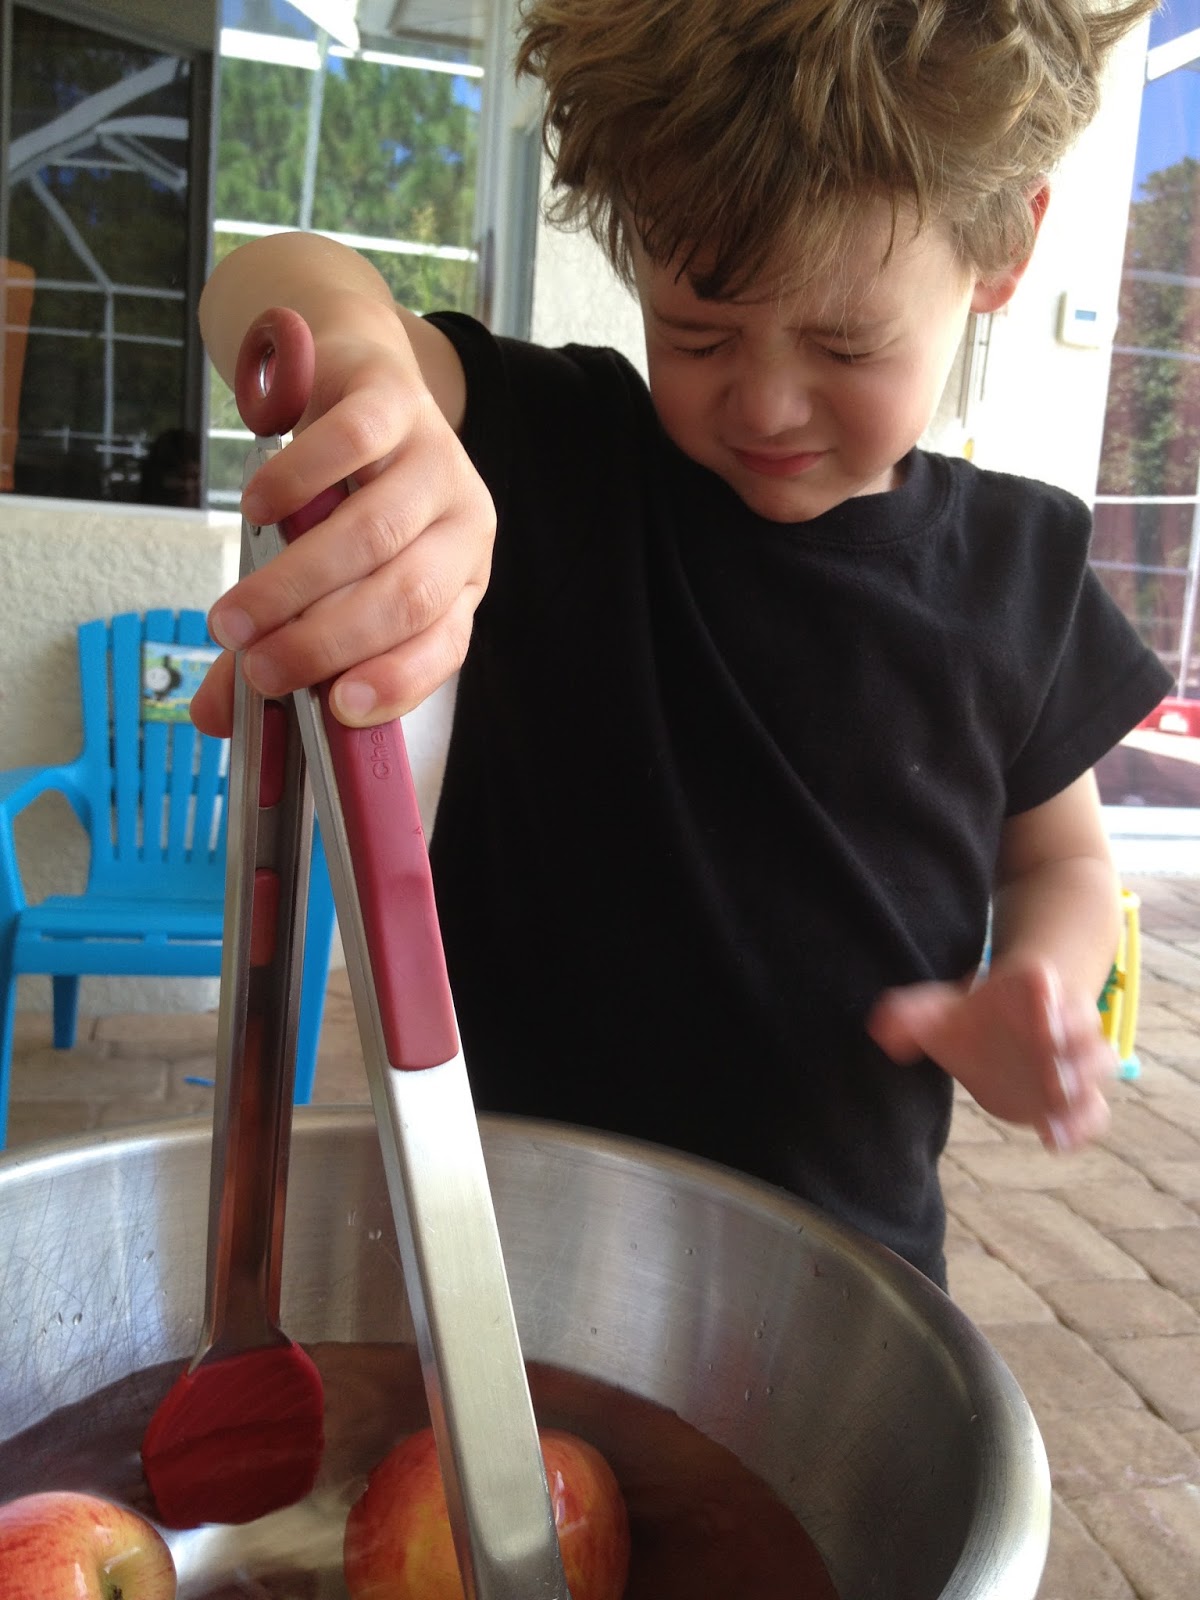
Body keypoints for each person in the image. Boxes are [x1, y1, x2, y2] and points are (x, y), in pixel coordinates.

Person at [193, 0, 1169, 1288]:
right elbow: (261, 279)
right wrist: (370, 369)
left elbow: (1063, 862)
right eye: (697, 333)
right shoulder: (559, 454)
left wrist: (1038, 984)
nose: (762, 401)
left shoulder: (1021, 571)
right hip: (499, 1255)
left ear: (1003, 249)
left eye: (844, 342)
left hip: (843, 1268)